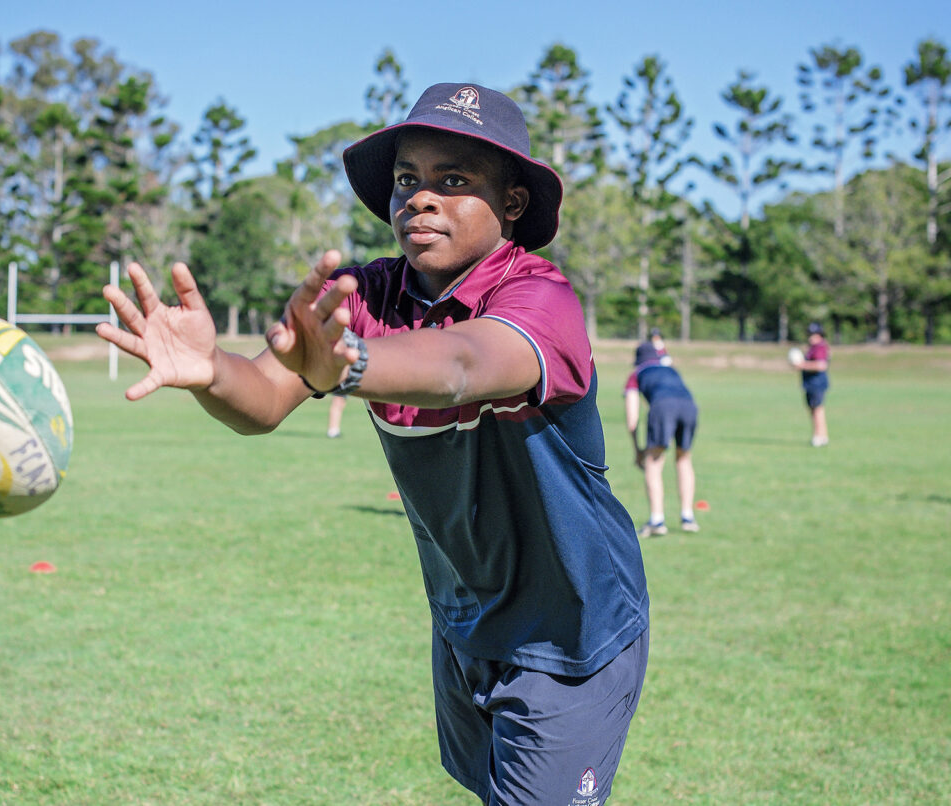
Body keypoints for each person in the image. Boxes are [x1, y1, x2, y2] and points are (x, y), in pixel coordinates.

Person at [96, 83, 648, 805]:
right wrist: (211, 372)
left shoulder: (540, 298)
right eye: (407, 180)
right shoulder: (368, 295)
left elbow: (459, 366)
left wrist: (351, 364)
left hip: (572, 634)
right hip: (465, 623)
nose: (420, 199)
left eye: (454, 181)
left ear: (513, 204)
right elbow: (262, 402)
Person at [624, 340, 700, 537]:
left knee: (653, 461)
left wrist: (638, 451)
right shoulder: (671, 369)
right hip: (689, 405)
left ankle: (657, 520)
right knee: (683, 458)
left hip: (663, 406)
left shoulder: (636, 374)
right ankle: (687, 517)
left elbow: (632, 418)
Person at [792, 322, 830, 447]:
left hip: (816, 383)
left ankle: (819, 436)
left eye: (813, 334)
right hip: (810, 383)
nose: (810, 336)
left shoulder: (820, 347)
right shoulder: (812, 347)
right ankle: (821, 435)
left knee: (817, 409)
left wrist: (802, 365)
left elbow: (821, 365)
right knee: (814, 409)